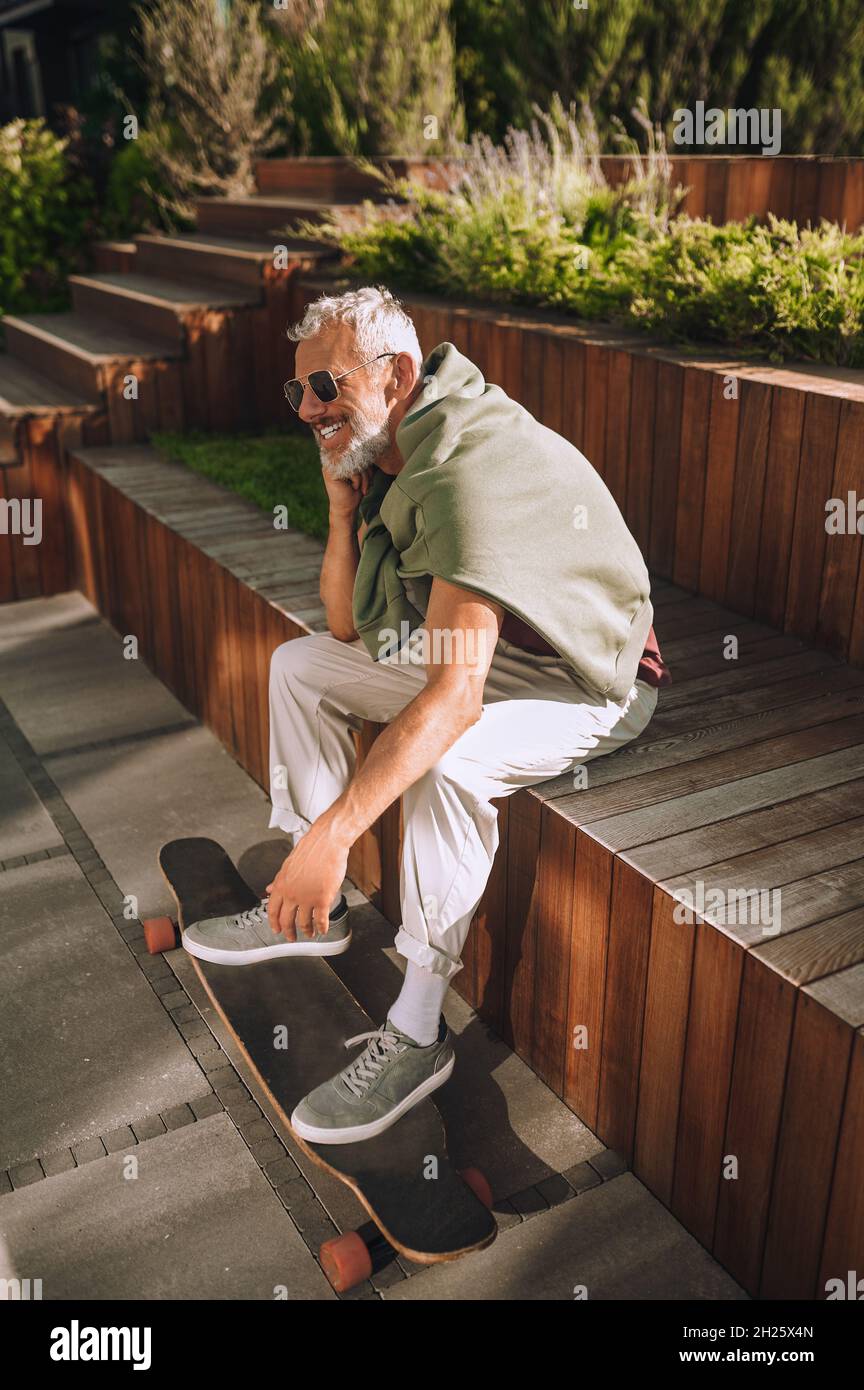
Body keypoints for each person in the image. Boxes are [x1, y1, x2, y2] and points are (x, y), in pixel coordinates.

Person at [182, 285, 670, 1144]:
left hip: (586, 677)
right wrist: (341, 511)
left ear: (399, 374)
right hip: (486, 655)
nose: (308, 411)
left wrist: (333, 837)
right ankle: (311, 913)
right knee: (299, 664)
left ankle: (416, 1030)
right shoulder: (393, 457)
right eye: (295, 393)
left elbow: (454, 701)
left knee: (453, 763)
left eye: (325, 387)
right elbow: (342, 625)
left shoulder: (466, 466)